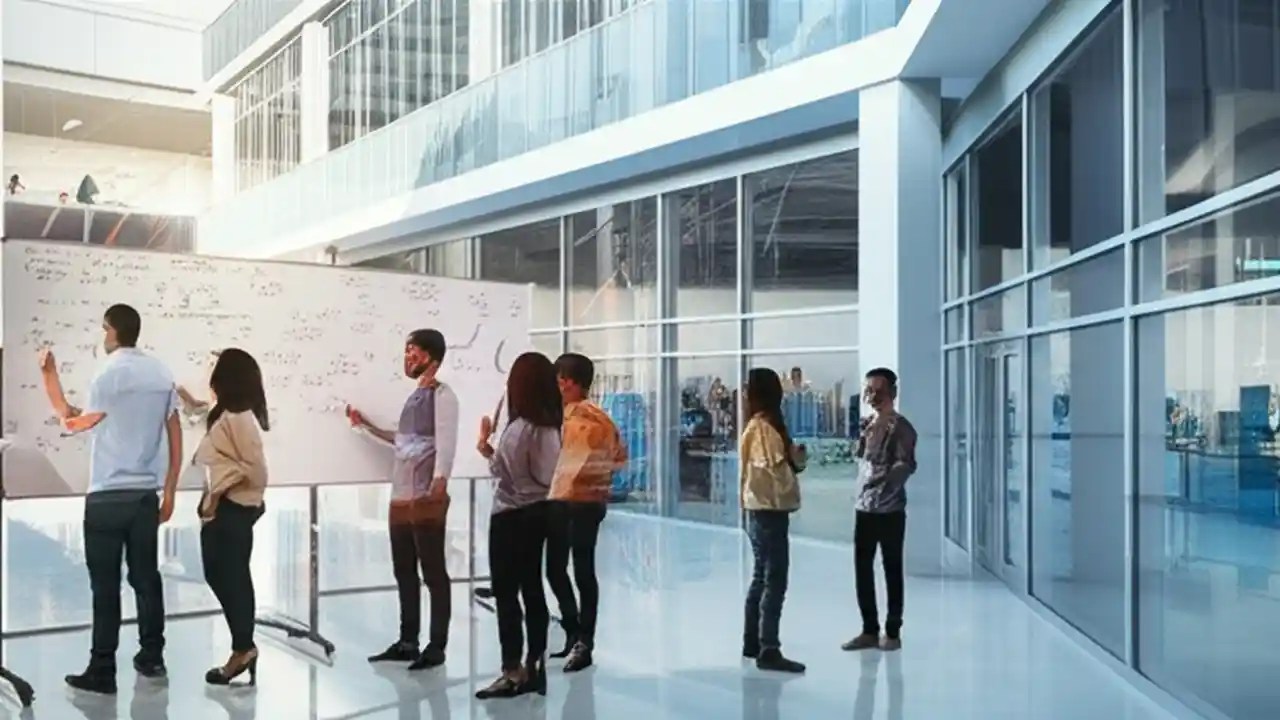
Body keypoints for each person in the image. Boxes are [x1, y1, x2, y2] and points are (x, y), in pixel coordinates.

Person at [38, 304, 181, 695]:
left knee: (105, 585)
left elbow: (76, 422)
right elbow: (175, 434)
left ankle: (102, 669)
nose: (102, 337)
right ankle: (152, 656)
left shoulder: (106, 375)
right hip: (144, 497)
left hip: (106, 497)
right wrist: (169, 490)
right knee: (146, 579)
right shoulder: (161, 373)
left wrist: (49, 378)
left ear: (114, 331)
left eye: (103, 330)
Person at [348, 329, 458, 670]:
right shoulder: (414, 397)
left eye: (414, 352)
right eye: (406, 351)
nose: (408, 357)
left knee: (433, 572)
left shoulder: (443, 395)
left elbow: (447, 440)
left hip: (425, 494)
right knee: (404, 571)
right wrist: (366, 426)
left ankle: (436, 645)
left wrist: (440, 482)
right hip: (401, 495)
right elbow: (402, 441)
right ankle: (408, 640)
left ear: (431, 358)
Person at [474, 352, 562, 699]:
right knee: (526, 590)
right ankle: (530, 667)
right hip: (525, 513)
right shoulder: (532, 424)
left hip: (517, 515)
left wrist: (490, 450)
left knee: (513, 593)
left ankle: (516, 670)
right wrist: (486, 446)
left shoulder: (532, 428)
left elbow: (537, 475)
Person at [190, 349, 269, 686]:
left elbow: (255, 471)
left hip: (231, 510)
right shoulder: (227, 414)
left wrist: (218, 495)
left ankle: (243, 649)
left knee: (231, 576)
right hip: (224, 510)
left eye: (214, 364)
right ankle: (243, 647)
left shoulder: (239, 418)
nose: (209, 368)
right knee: (224, 575)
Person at [545, 353, 625, 672]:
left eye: (561, 378)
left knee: (580, 570)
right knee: (556, 568)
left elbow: (573, 463)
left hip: (581, 503)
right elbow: (619, 456)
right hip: (565, 501)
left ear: (570, 382)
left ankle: (583, 640)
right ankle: (573, 630)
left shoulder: (587, 419)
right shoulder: (567, 416)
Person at [842, 367, 917, 652]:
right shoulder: (868, 424)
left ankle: (893, 630)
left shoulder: (901, 427)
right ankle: (869, 629)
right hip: (864, 508)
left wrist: (884, 480)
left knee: (891, 568)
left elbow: (906, 465)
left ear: (892, 393)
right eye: (869, 390)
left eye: (878, 391)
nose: (872, 396)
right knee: (862, 568)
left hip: (890, 510)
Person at [740, 368, 807, 674]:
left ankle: (753, 642)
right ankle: (769, 648)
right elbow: (773, 472)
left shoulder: (759, 426)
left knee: (761, 576)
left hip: (758, 509)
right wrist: (793, 460)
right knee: (774, 579)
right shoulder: (764, 429)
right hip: (769, 511)